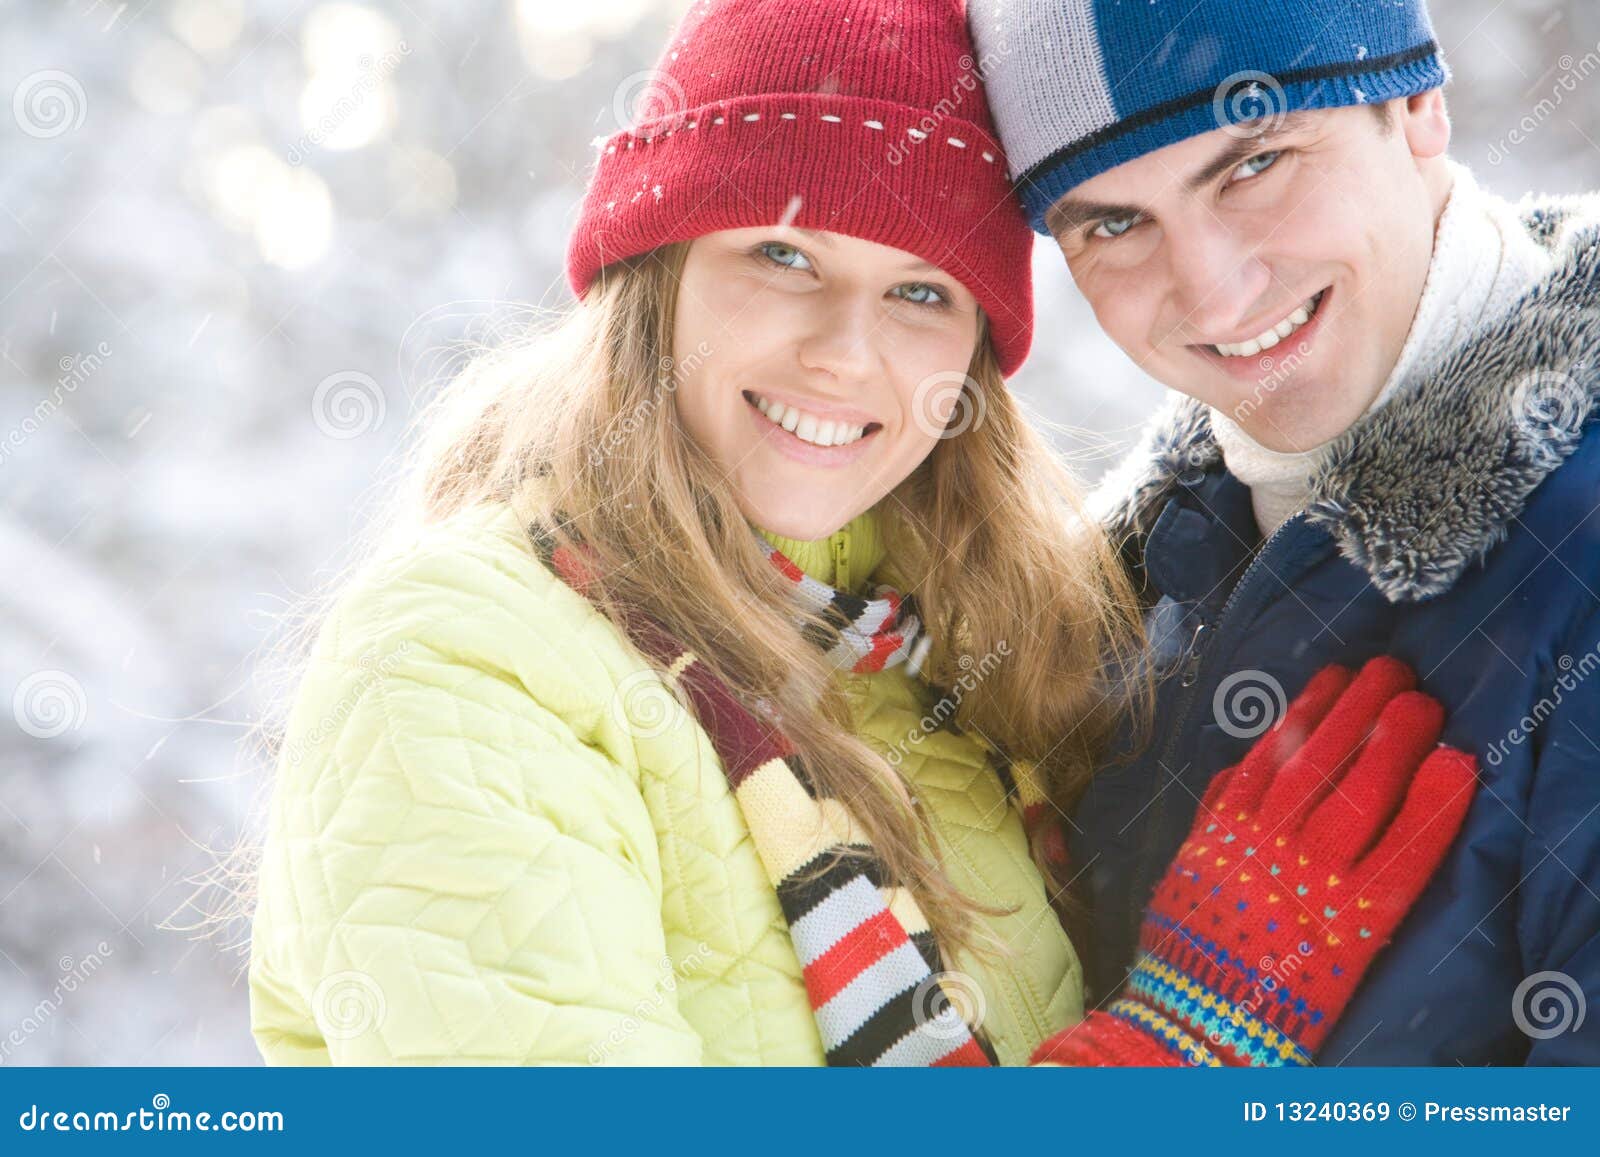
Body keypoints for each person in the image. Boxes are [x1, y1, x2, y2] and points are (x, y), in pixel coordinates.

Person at [244, 0, 1472, 1067]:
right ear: (655, 279)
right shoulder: (466, 663)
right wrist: (1170, 1054)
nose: (845, 352)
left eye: (920, 293)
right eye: (781, 254)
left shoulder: (969, 675)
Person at [971, 0, 1600, 1063]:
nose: (1212, 289)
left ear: (1413, 103)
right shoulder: (1116, 599)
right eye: (1114, 223)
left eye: (1253, 163)